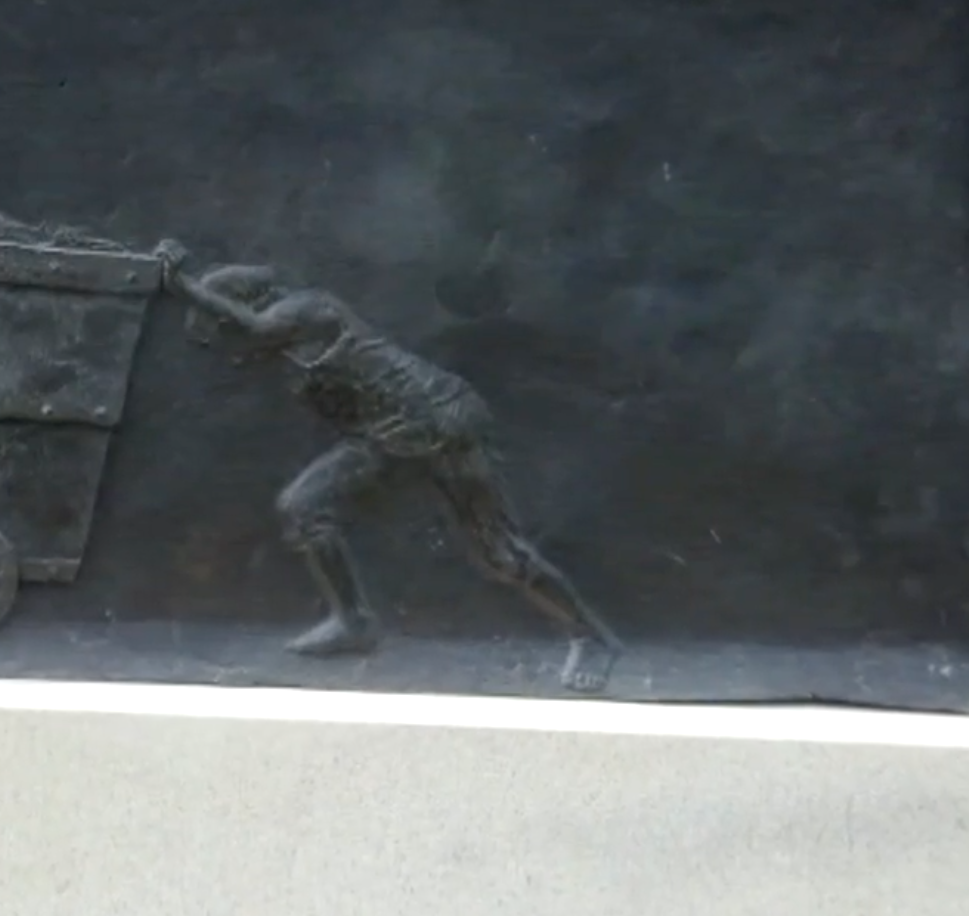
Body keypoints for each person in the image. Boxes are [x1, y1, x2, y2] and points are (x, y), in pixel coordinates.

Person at [154, 238, 620, 692]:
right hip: (386, 436)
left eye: (226, 331)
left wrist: (185, 285)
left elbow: (254, 329)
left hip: (440, 423)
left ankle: (590, 637)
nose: (230, 349)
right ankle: (354, 622)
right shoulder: (286, 351)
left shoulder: (310, 308)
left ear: (257, 302)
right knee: (301, 507)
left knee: (501, 553)